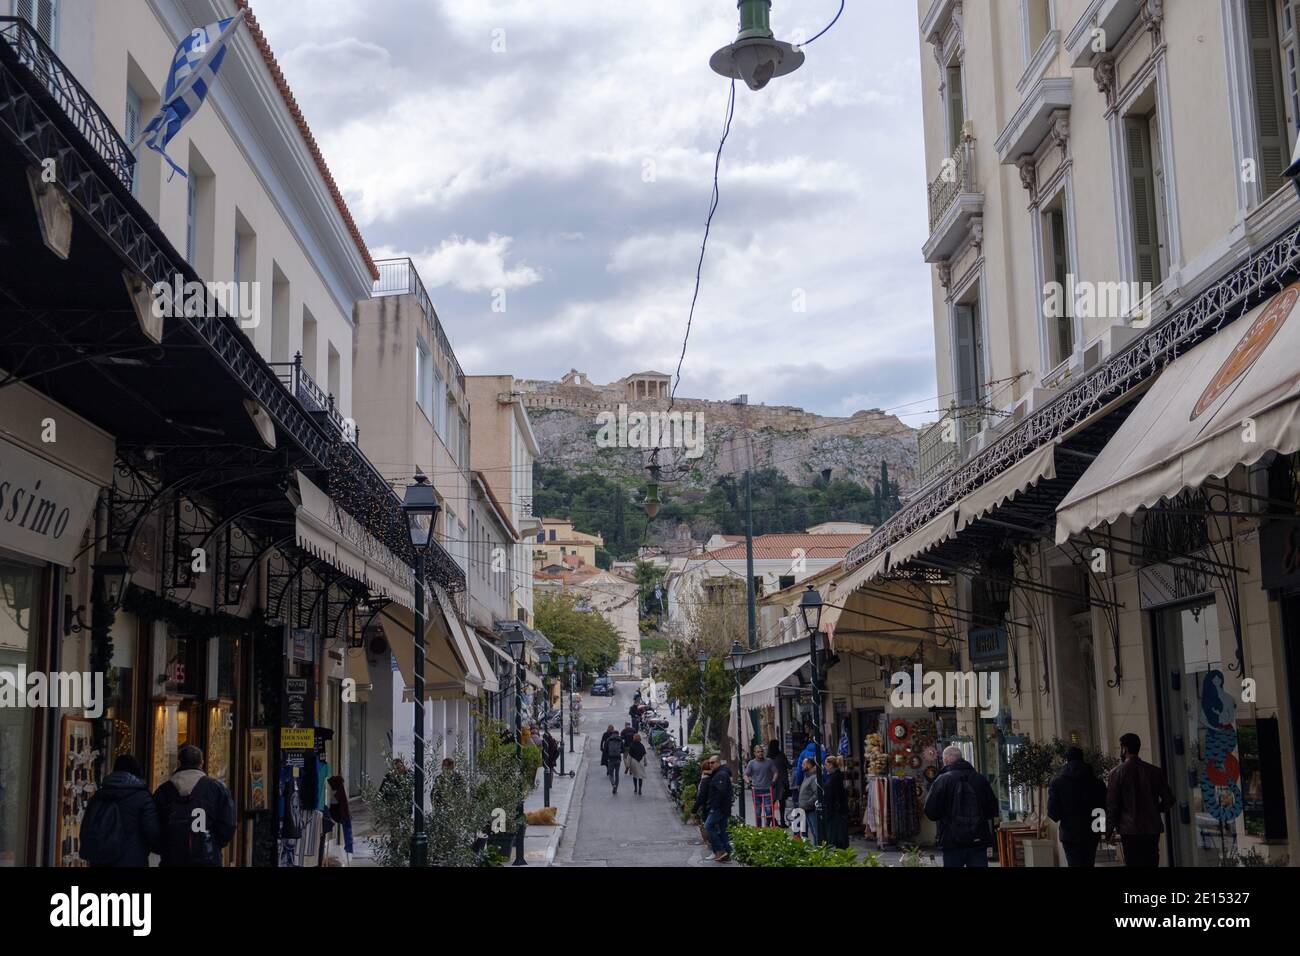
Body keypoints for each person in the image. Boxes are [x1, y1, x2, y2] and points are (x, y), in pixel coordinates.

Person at [154, 744, 236, 867]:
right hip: (207, 858)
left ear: (179, 763)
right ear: (201, 763)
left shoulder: (163, 791)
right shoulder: (216, 789)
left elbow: (154, 826)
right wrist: (214, 843)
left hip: (172, 858)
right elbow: (227, 825)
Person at [923, 744, 999, 867]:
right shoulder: (979, 779)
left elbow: (931, 811)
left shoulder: (943, 780)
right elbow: (992, 810)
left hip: (952, 841)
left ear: (946, 761)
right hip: (977, 840)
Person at [1106, 733, 1175, 867]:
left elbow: (1112, 806)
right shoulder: (1155, 771)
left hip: (1129, 831)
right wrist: (1155, 809)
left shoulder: (1116, 773)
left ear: (1124, 749)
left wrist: (1109, 832)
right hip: (1151, 829)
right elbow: (1169, 800)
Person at [79, 754, 160, 867]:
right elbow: (153, 833)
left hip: (100, 861)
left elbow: (86, 828)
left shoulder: (98, 796)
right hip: (132, 860)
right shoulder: (143, 797)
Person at [1048, 746, 1107, 867]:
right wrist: (1102, 829)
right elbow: (1103, 808)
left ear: (1066, 760)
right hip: (1091, 832)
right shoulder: (1097, 783)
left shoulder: (1057, 783)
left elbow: (1053, 813)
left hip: (1069, 834)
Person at [706, 757, 734, 861]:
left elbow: (721, 792)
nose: (710, 765)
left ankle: (720, 850)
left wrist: (714, 806)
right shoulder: (720, 773)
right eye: (709, 763)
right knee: (723, 830)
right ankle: (727, 853)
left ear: (718, 762)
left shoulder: (721, 774)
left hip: (719, 808)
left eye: (712, 762)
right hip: (723, 807)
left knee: (708, 826)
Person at [744, 744, 778, 828]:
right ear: (754, 753)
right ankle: (758, 828)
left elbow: (776, 772)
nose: (760, 753)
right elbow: (745, 774)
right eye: (758, 752)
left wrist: (773, 781)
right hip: (756, 790)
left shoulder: (769, 761)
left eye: (762, 751)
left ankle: (767, 825)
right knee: (758, 812)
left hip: (767, 789)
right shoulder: (751, 763)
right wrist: (748, 782)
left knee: (769, 810)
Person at [823, 756, 850, 849]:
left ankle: (840, 848)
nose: (825, 766)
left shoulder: (835, 777)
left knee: (838, 833)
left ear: (831, 765)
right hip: (836, 808)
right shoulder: (834, 776)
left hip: (836, 810)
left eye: (826, 764)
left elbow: (834, 794)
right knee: (838, 833)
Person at [797, 757, 822, 845]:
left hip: (811, 809)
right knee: (812, 831)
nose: (801, 766)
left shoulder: (813, 777)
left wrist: (808, 803)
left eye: (804, 764)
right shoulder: (806, 776)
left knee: (816, 832)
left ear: (809, 765)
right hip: (806, 809)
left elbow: (817, 794)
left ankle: (819, 850)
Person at [768, 739, 791, 826]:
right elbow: (788, 766)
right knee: (782, 803)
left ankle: (771, 821)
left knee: (771, 803)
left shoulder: (768, 758)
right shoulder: (781, 755)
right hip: (782, 782)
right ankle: (782, 821)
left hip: (772, 782)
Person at [693, 756, 715, 822]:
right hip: (712, 806)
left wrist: (694, 810)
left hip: (707, 807)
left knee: (707, 827)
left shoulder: (705, 780)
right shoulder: (712, 777)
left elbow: (701, 795)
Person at [603, 727, 625, 794]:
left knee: (610, 774)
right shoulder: (620, 740)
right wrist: (619, 752)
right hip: (618, 759)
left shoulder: (608, 740)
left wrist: (606, 757)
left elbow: (605, 750)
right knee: (617, 774)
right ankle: (616, 788)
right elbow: (623, 750)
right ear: (618, 734)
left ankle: (613, 784)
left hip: (611, 758)